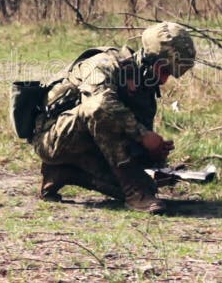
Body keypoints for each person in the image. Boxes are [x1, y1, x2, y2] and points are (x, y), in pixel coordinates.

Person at [30, 22, 195, 214]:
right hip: (51, 139)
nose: (165, 80)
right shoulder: (104, 64)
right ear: (150, 59)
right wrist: (143, 136)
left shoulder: (143, 87)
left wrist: (152, 156)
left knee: (148, 186)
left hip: (86, 143)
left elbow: (122, 140)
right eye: (164, 71)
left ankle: (63, 172)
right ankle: (134, 193)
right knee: (102, 109)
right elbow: (98, 106)